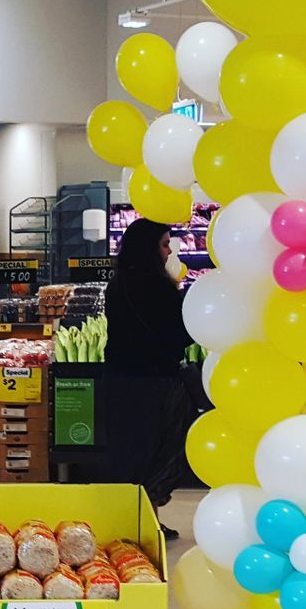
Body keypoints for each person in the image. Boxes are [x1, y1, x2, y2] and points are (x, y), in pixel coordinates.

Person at [103, 218, 194, 538]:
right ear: (149, 248)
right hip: (154, 381)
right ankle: (147, 520)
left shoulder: (117, 284)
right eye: (165, 244)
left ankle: (140, 520)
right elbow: (178, 335)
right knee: (160, 452)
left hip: (120, 380)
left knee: (132, 454)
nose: (169, 252)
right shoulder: (158, 288)